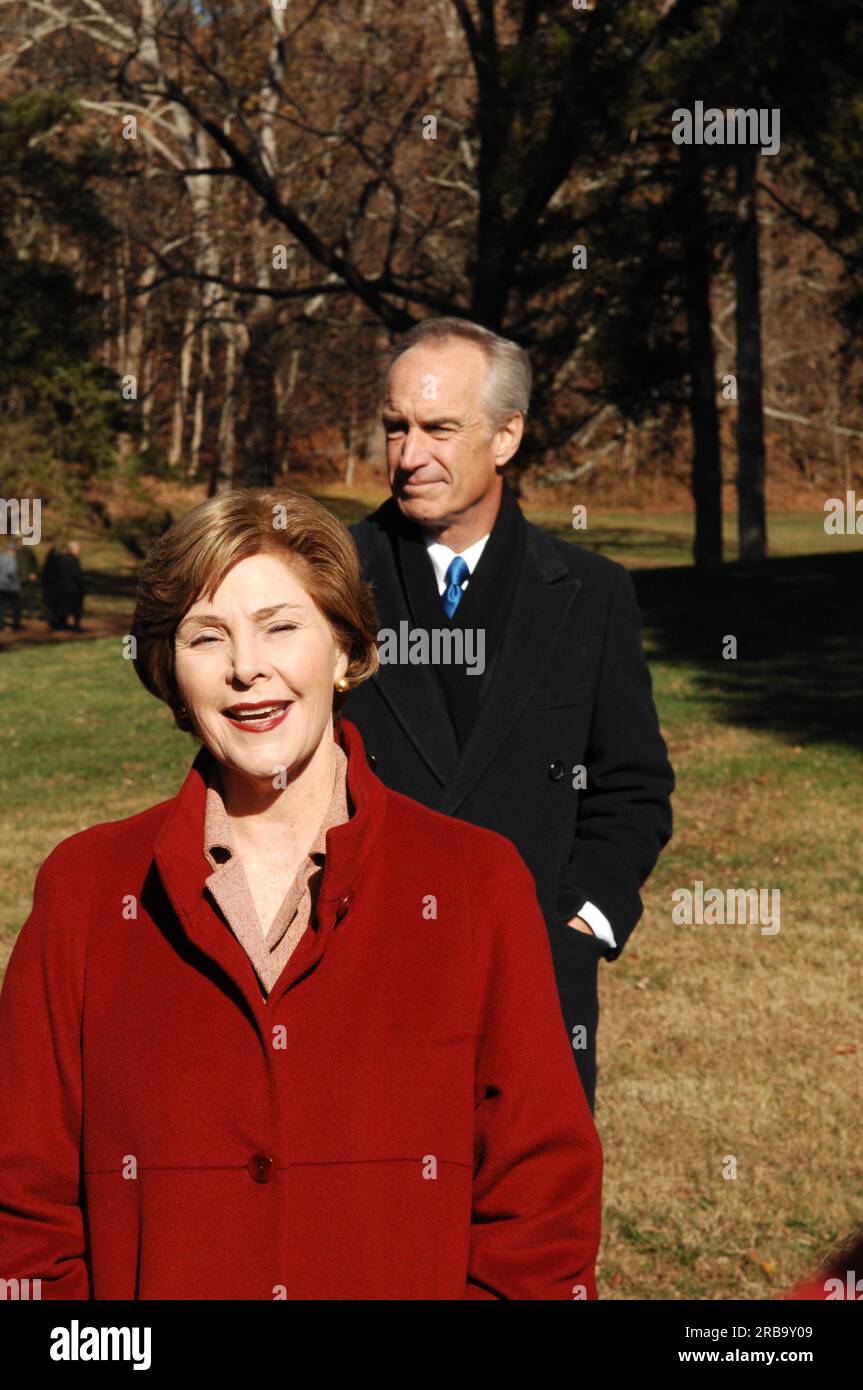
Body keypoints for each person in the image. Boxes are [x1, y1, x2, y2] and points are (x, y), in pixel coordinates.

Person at [0, 487, 602, 1301]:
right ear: (171, 676)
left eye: (281, 626)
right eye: (206, 637)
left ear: (348, 653)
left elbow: (541, 1203)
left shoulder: (474, 883)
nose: (248, 667)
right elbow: (23, 1208)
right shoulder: (86, 888)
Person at [342, 318, 675, 1111]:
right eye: (396, 428)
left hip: (533, 1000)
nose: (408, 455)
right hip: (355, 990)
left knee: (528, 1226)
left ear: (505, 437)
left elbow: (631, 788)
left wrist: (579, 930)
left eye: (438, 429)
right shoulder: (326, 577)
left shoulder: (591, 595)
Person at [41, 539, 84, 630]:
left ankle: (59, 624)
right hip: (71, 589)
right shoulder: (72, 560)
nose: (79, 551)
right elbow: (77, 575)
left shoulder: (57, 559)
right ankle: (74, 625)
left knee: (61, 607)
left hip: (59, 589)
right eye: (78, 549)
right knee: (74, 608)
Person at [0, 538, 22, 630]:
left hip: (0, 585)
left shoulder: (1, 557)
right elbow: (11, 572)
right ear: (13, 550)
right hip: (11, 587)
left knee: (1, 606)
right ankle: (16, 624)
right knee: (17, 606)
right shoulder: (12, 559)